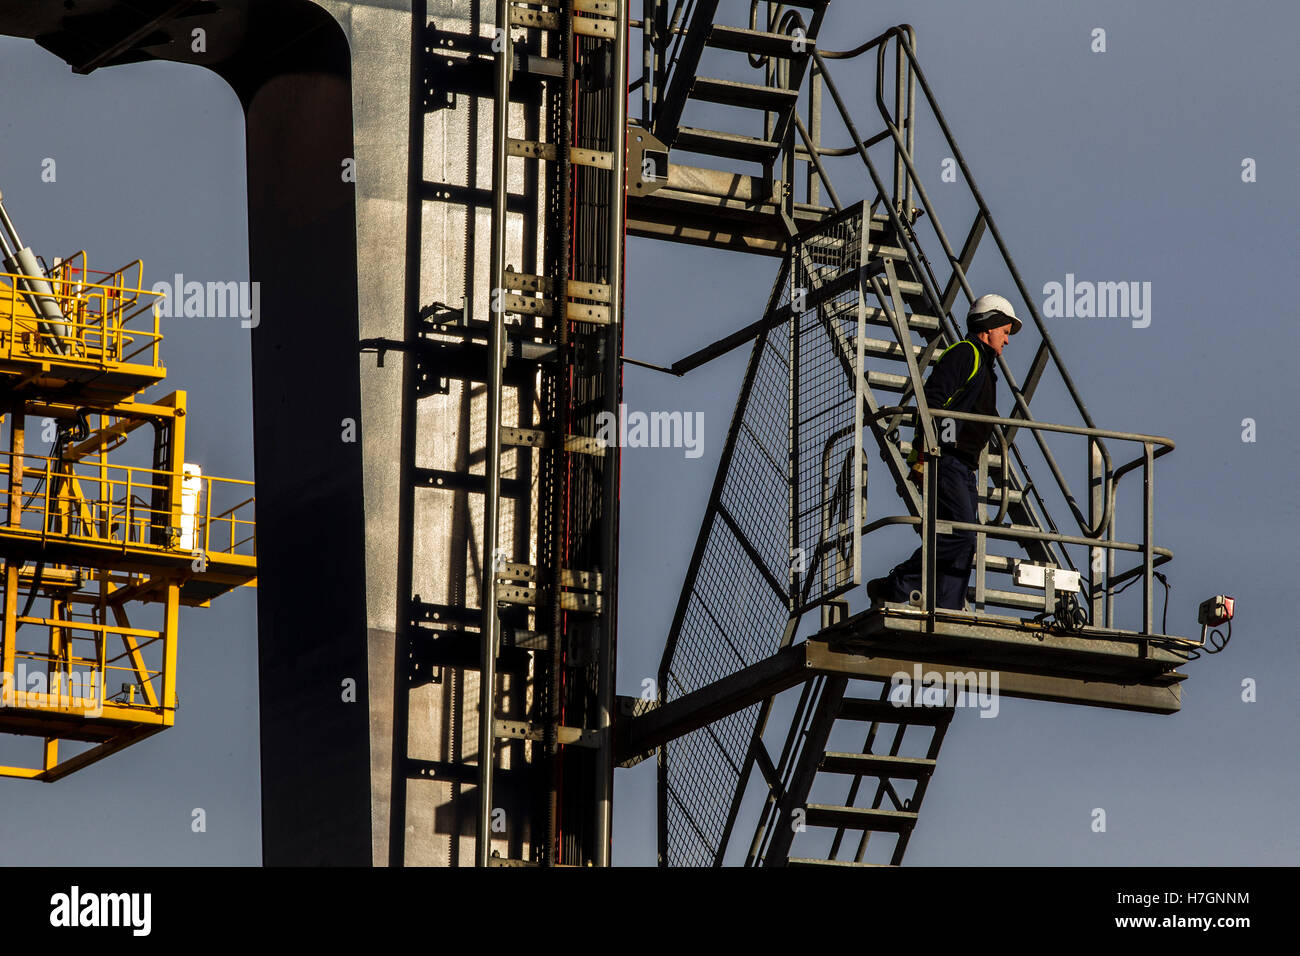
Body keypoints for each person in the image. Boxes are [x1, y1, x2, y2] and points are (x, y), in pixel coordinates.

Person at [866, 293, 1020, 610]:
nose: (1007, 340)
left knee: (962, 538)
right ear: (988, 326)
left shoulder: (984, 365)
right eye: (1004, 331)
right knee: (960, 536)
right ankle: (896, 585)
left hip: (961, 467)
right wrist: (935, 451)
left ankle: (948, 607)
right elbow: (934, 403)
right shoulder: (966, 354)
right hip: (946, 462)